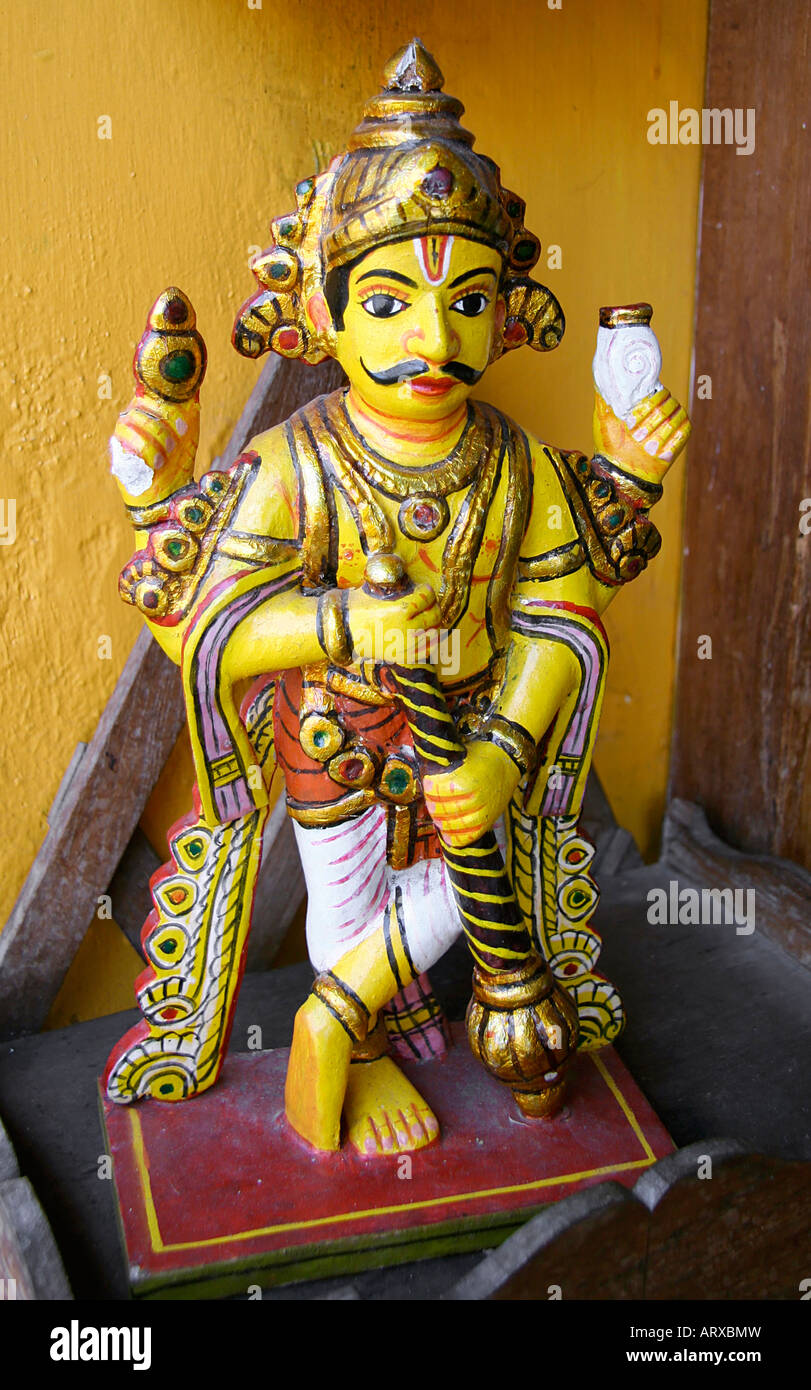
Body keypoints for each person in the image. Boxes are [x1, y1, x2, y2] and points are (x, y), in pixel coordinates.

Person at [103, 40, 690, 1157]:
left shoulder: (514, 463)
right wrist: (335, 621)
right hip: (335, 730)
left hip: (479, 730)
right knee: (345, 896)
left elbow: (563, 616)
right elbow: (206, 629)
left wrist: (505, 751)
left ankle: (345, 1009)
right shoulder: (295, 463)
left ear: (508, 314)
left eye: (466, 299)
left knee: (474, 884)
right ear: (320, 317)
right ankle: (354, 1039)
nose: (432, 338)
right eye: (386, 300)